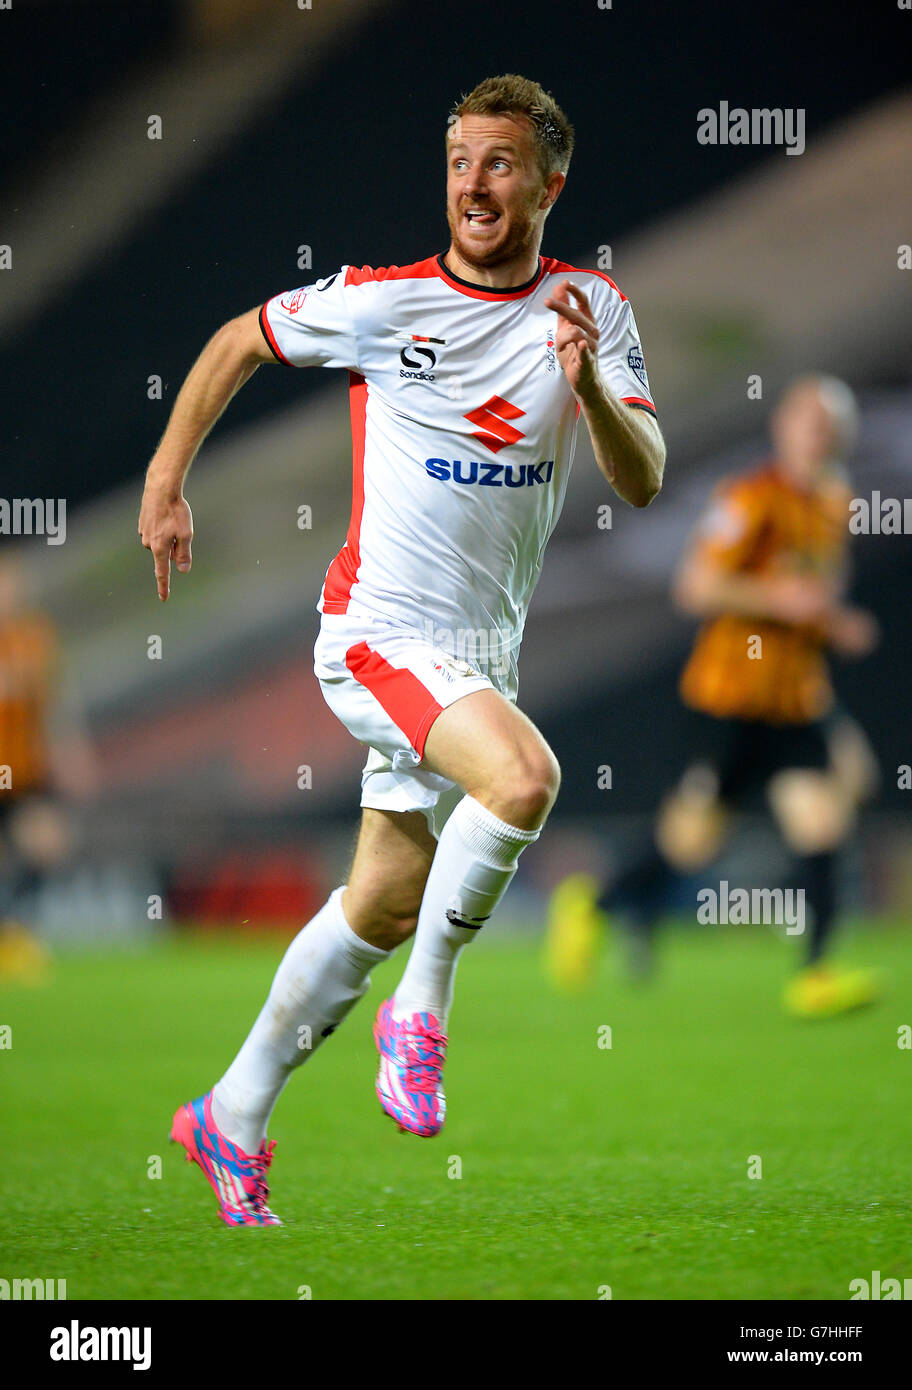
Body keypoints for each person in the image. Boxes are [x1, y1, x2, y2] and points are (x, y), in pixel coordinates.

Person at [137, 73, 666, 1226]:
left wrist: (591, 392)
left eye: (501, 163)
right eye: (461, 161)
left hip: (479, 654)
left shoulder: (592, 310)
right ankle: (420, 1011)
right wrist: (168, 478)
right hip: (380, 631)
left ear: (549, 183)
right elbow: (239, 340)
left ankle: (228, 1114)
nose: (475, 183)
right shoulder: (382, 301)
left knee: (381, 898)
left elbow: (644, 478)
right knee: (524, 778)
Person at [545, 375, 880, 1019]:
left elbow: (807, 599)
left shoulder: (835, 502)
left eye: (832, 422)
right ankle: (593, 907)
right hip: (729, 697)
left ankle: (814, 975)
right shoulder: (751, 497)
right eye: (809, 420)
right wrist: (778, 599)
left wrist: (831, 623)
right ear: (783, 427)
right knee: (690, 842)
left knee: (826, 819)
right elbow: (697, 587)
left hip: (793, 701)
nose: (821, 433)